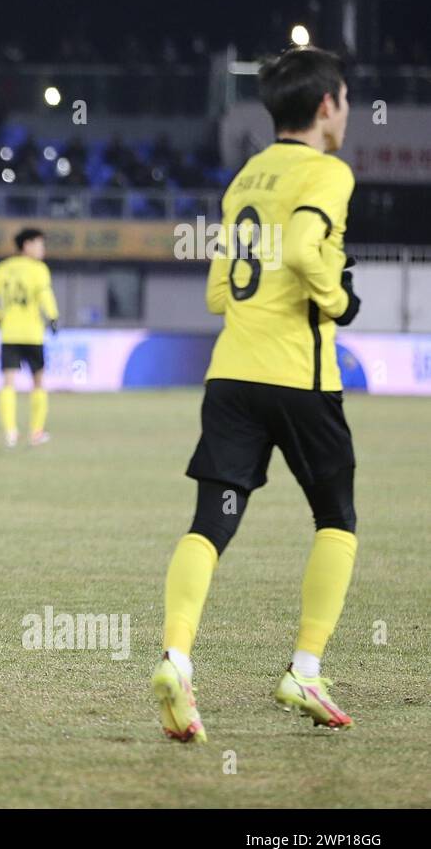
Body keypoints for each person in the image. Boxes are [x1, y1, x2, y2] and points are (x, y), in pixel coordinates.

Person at [152, 46, 361, 743]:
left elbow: (218, 289)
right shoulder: (327, 170)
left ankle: (177, 658)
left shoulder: (245, 177)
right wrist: (339, 299)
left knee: (210, 522)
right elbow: (304, 250)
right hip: (299, 376)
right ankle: (304, 668)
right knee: (336, 517)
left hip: (232, 374)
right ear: (328, 104)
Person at [0, 228, 59, 447]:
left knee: (8, 382)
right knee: (38, 381)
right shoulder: (38, 269)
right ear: (26, 245)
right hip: (33, 334)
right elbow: (45, 294)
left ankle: (10, 432)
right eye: (39, 244)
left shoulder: (3, 268)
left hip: (9, 333)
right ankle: (36, 432)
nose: (42, 249)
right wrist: (53, 318)